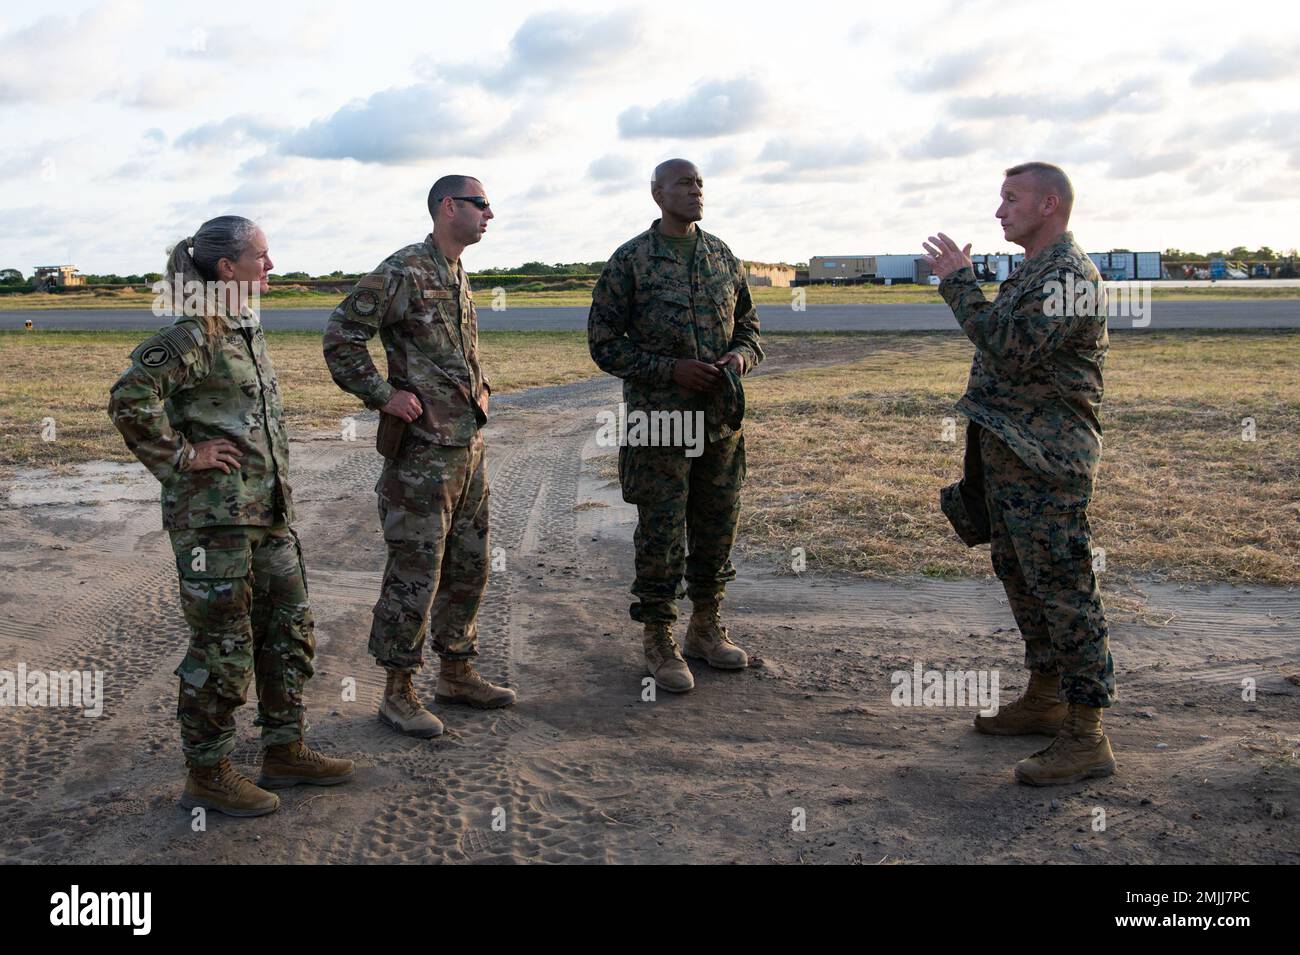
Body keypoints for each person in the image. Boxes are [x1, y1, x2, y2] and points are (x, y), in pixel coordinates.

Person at [109, 215, 353, 818]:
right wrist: (184, 456)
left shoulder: (244, 328)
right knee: (223, 647)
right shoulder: (194, 335)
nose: (271, 265)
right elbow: (128, 399)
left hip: (268, 515)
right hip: (213, 524)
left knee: (289, 631)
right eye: (262, 256)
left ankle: (284, 750)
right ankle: (208, 772)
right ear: (227, 268)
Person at [923, 161, 1117, 786]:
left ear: (1049, 204)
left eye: (1011, 199)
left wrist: (958, 283)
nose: (999, 210)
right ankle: (1046, 696)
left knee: (1064, 587)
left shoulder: (1067, 275)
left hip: (1048, 462)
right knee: (1021, 573)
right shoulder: (1035, 269)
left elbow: (1006, 344)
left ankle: (1087, 735)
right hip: (1013, 454)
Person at [323, 175, 514, 740]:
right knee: (416, 572)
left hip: (467, 446)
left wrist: (480, 389)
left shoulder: (455, 270)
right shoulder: (405, 269)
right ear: (448, 207)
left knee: (469, 564)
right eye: (481, 204)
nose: (490, 214)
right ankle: (398, 691)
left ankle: (456, 671)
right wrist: (384, 395)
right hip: (423, 455)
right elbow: (341, 335)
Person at [588, 158, 764, 694]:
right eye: (684, 183)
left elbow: (752, 329)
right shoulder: (632, 261)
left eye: (700, 184)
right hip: (660, 421)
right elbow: (604, 344)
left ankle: (706, 627)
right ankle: (659, 638)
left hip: (719, 422)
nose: (696, 191)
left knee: (717, 522)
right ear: (657, 193)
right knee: (662, 528)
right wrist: (670, 370)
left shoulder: (721, 257)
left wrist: (738, 359)